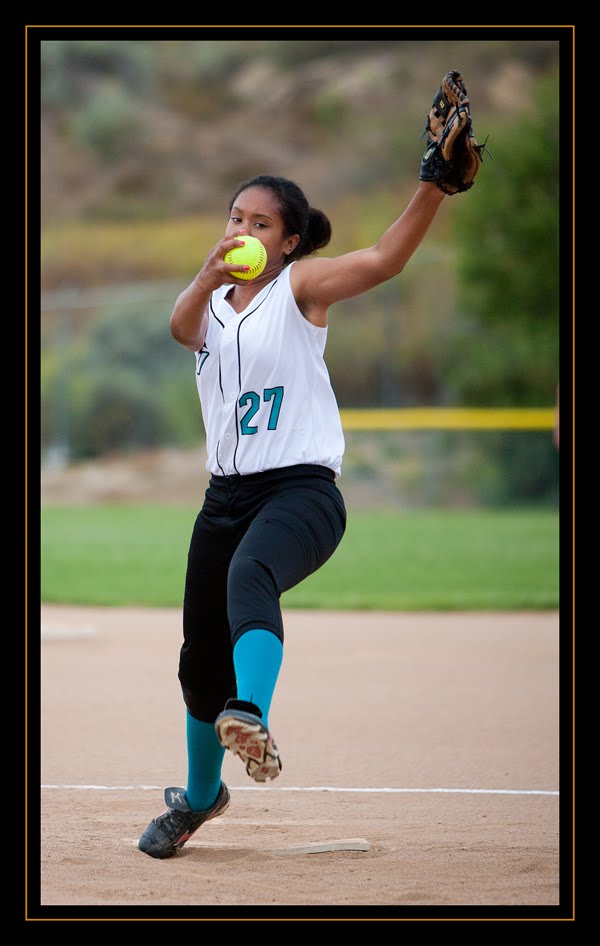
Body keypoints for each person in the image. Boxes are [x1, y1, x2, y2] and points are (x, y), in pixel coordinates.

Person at [137, 167, 450, 858]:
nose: (242, 231)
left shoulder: (298, 288)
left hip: (300, 490)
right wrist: (206, 274)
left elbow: (383, 260)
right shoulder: (211, 305)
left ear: (289, 243)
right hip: (224, 497)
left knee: (251, 576)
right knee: (198, 664)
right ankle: (198, 800)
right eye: (235, 218)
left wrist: (433, 187)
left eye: (260, 224)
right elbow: (180, 326)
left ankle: (251, 714)